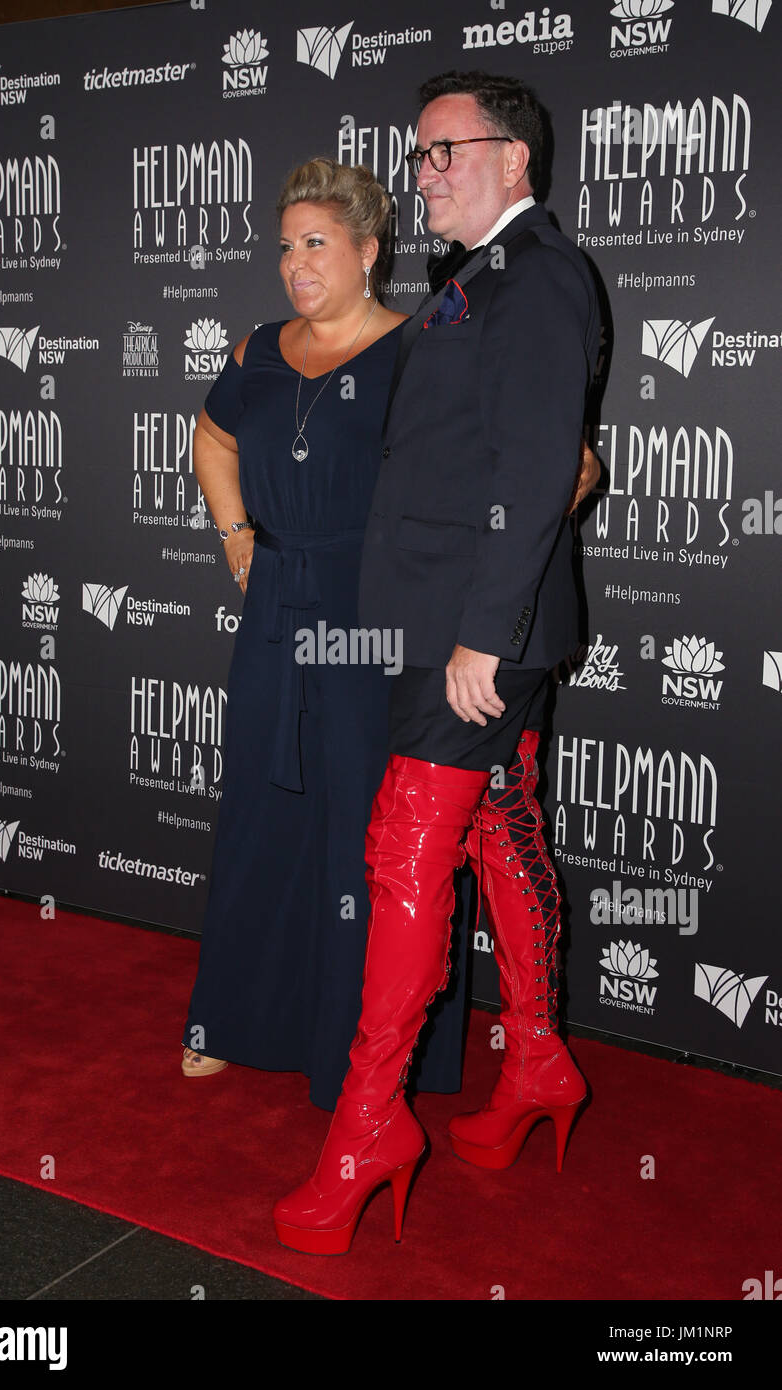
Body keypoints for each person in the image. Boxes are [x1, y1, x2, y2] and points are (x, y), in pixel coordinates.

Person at [274, 72, 602, 1253]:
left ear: (513, 159)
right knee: (492, 828)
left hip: (477, 633)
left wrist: (481, 633)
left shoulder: (540, 277)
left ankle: (368, 1125)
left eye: (445, 151)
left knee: (405, 843)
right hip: (452, 621)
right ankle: (538, 1066)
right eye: (417, 156)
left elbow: (530, 467)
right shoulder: (474, 281)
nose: (424, 173)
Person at [180, 159, 477, 1111]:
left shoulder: (422, 349)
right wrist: (237, 537)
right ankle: (233, 1018)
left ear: (367, 252)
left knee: (366, 827)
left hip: (375, 619)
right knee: (263, 815)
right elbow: (213, 438)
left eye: (316, 244)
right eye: (284, 246)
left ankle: (366, 1047)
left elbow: (522, 457)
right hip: (276, 611)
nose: (295, 264)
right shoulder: (259, 350)